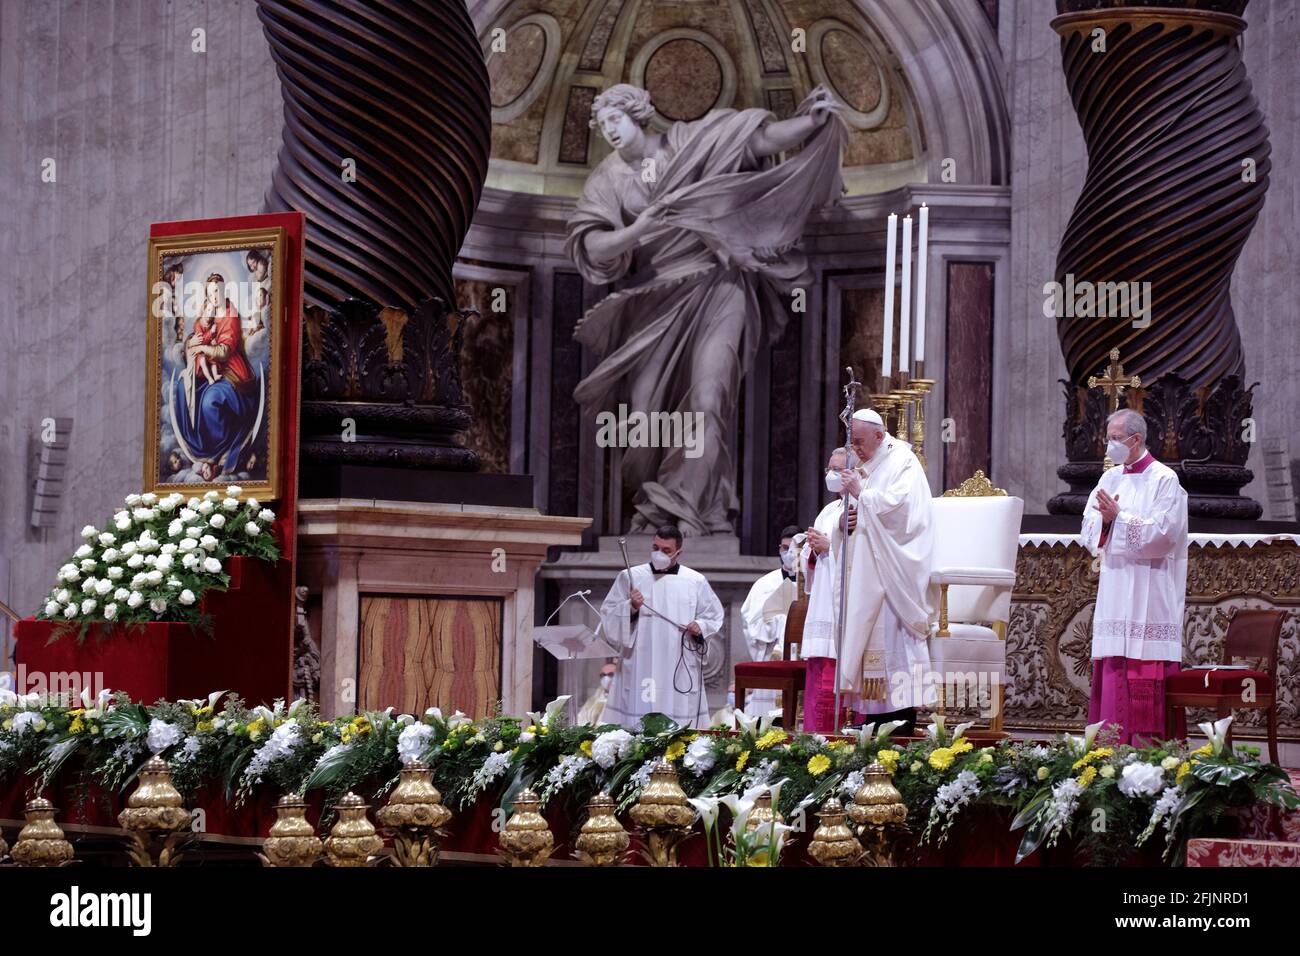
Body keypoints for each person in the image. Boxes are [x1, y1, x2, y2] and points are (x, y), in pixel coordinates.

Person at [567, 83, 846, 535]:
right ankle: (658, 506)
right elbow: (592, 244)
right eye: (601, 126)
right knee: (642, 421)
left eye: (614, 120)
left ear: (638, 113)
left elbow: (756, 139)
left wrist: (809, 123)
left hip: (720, 284)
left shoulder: (688, 141)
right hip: (654, 299)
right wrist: (638, 229)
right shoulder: (607, 178)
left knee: (709, 397)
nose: (609, 131)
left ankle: (689, 510)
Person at [1082, 408, 1189, 745]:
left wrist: (1120, 517)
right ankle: (1107, 749)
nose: (1109, 445)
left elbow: (1163, 535)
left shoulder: (1164, 479)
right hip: (1116, 585)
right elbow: (1088, 529)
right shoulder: (1108, 479)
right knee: (1115, 665)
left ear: (1136, 439)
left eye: (1115, 439)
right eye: (1108, 438)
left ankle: (1151, 749)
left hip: (1150, 587)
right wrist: (1106, 522)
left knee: (1146, 663)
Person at [836, 409, 936, 731]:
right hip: (869, 569)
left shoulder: (903, 462)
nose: (857, 450)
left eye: (861, 442)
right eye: (853, 442)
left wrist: (861, 494)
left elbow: (902, 510)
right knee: (872, 643)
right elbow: (852, 514)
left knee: (894, 643)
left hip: (895, 571)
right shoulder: (868, 466)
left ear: (880, 436)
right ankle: (874, 721)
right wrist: (844, 520)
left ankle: (901, 722)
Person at [597, 525, 724, 729]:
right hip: (641, 659)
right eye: (656, 547)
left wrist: (698, 626)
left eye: (666, 550)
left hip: (678, 660)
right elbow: (609, 615)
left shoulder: (695, 581)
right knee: (639, 714)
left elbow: (713, 616)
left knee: (680, 716)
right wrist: (631, 607)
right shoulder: (631, 576)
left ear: (678, 553)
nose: (659, 554)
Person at [800, 447, 858, 732]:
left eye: (837, 470)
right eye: (829, 469)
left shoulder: (860, 508)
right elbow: (808, 561)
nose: (830, 475)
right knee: (818, 678)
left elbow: (863, 556)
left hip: (847, 607)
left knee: (837, 679)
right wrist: (812, 551)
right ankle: (812, 740)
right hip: (823, 602)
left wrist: (829, 547)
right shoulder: (829, 511)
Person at [738, 525, 802, 718]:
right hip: (771, 658)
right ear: (779, 549)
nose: (789, 554)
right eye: (785, 548)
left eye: (793, 549)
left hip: (803, 658)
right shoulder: (764, 584)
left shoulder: (816, 583)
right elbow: (750, 624)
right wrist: (777, 622)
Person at [576, 661, 617, 726]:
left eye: (611, 674)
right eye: (603, 675)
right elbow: (580, 719)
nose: (606, 678)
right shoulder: (592, 700)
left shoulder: (622, 701)